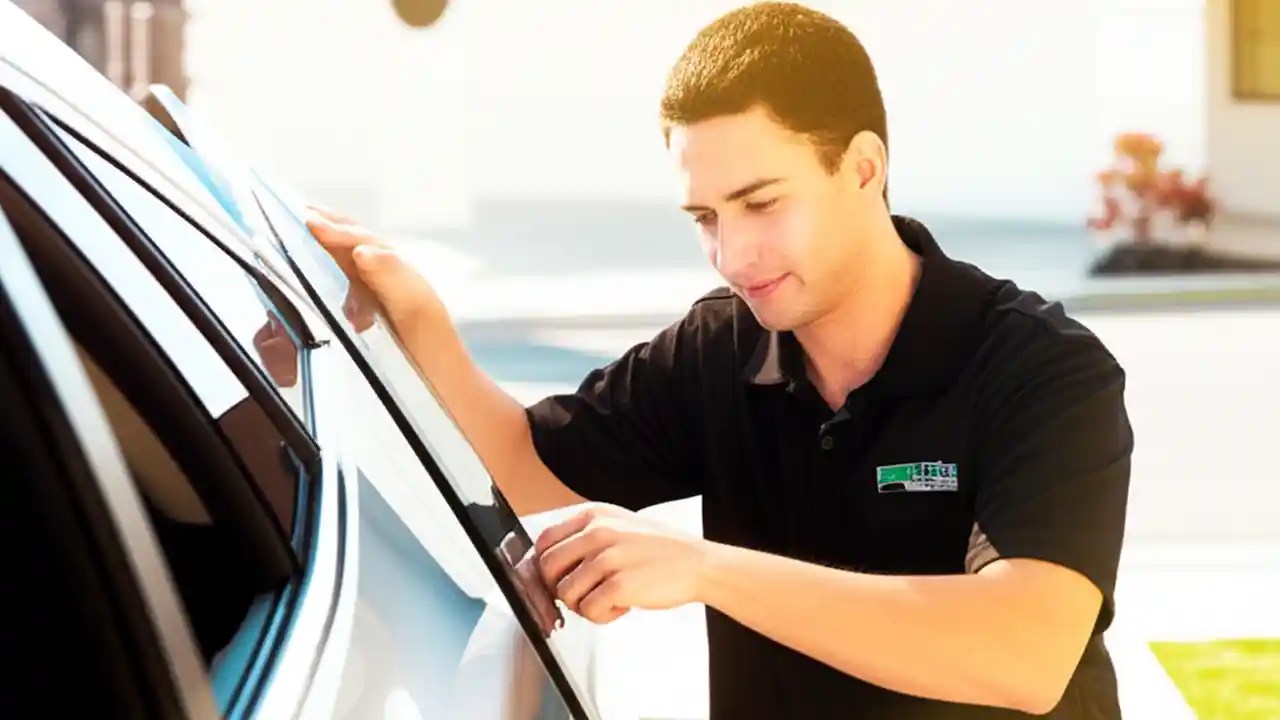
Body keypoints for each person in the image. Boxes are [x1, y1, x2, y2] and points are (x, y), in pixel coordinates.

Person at [306, 3, 1133, 717]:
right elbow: (526, 469)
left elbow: (1026, 651)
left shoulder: (1042, 368)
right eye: (704, 216)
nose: (732, 256)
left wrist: (706, 570)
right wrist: (411, 314)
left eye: (761, 204)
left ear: (863, 168)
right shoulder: (718, 349)